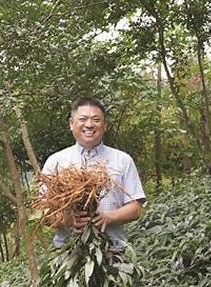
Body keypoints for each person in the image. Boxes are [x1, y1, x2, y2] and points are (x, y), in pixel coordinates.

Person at [41, 97, 146, 251]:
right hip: (67, 251)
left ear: (105, 126)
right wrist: (67, 220)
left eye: (96, 120)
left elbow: (135, 208)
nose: (89, 125)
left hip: (113, 250)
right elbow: (44, 211)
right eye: (83, 119)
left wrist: (108, 217)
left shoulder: (122, 160)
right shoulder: (56, 162)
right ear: (71, 124)